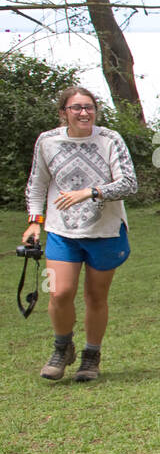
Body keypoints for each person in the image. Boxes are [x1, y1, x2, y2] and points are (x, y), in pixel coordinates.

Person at [23, 87, 137, 382]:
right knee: (59, 292)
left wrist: (91, 192)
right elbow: (37, 184)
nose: (84, 112)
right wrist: (35, 221)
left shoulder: (110, 139)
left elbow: (129, 183)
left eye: (89, 107)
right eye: (76, 108)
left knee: (95, 296)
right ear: (64, 113)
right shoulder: (47, 141)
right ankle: (62, 348)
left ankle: (91, 356)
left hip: (105, 231)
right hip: (62, 231)